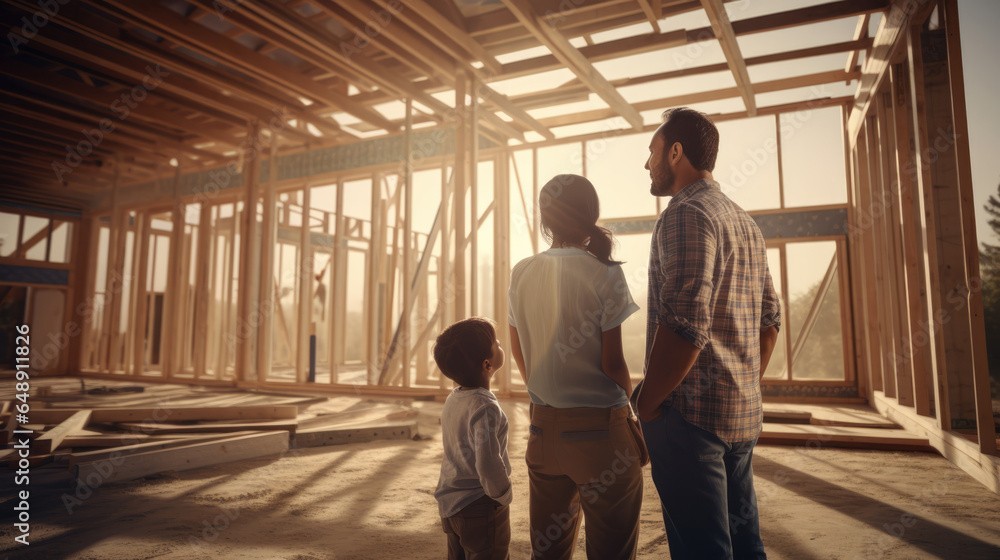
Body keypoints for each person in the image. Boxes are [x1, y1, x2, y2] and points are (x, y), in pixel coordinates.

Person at [635, 107, 782, 560]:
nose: (647, 164)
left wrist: (648, 403)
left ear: (676, 152)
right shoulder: (744, 221)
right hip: (741, 417)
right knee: (745, 545)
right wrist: (744, 383)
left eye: (653, 152)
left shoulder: (685, 214)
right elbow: (770, 320)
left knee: (703, 550)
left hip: (691, 420)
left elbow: (684, 326)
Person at [508, 174, 644, 560]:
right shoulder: (605, 272)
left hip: (543, 431)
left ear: (544, 218)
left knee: (548, 552)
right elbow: (613, 362)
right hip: (601, 434)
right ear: (590, 213)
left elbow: (522, 355)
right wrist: (633, 408)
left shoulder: (521, 271)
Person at [433, 317, 512, 560]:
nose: (500, 344)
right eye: (496, 343)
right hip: (480, 505)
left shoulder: (454, 397)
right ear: (487, 365)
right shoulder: (485, 407)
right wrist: (502, 495)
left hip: (450, 503)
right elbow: (488, 462)